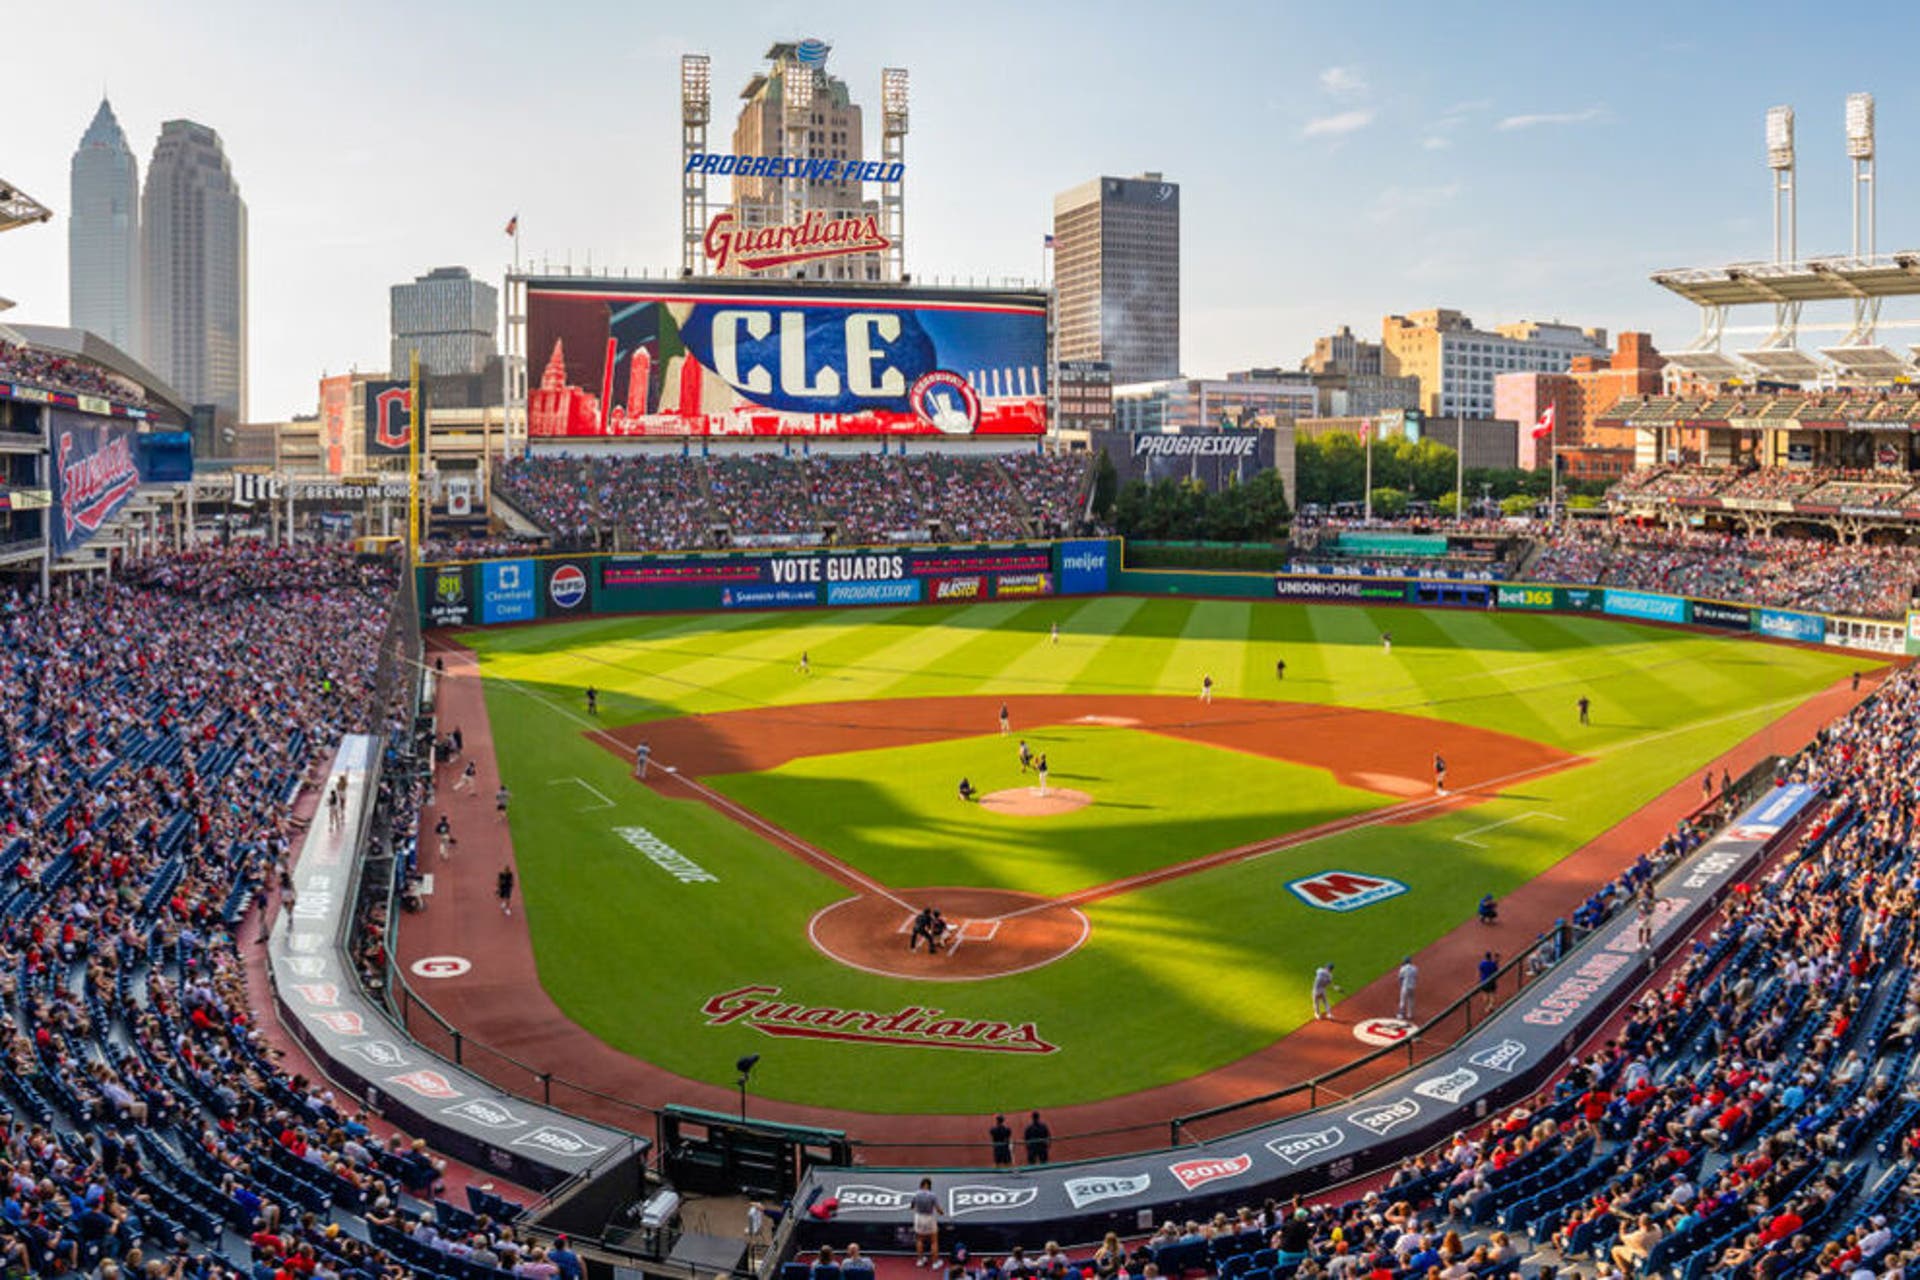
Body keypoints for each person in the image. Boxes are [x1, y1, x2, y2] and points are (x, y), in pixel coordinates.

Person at [911, 1178, 940, 1267]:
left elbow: (912, 1206)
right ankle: (935, 1263)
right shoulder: (933, 1195)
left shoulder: (916, 1194)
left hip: (919, 1218)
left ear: (921, 1185)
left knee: (919, 1240)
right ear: (929, 1186)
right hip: (929, 1218)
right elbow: (938, 1209)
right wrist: (943, 1213)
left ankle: (920, 1261)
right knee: (934, 1241)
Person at [1397, 957, 1418, 1022]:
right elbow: (1416, 977)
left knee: (1402, 1000)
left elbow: (1400, 978)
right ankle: (1410, 1014)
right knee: (1411, 1000)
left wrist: (1401, 985)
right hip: (1412, 987)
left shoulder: (1403, 968)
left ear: (1405, 962)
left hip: (1405, 986)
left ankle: (1401, 1015)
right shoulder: (1415, 968)